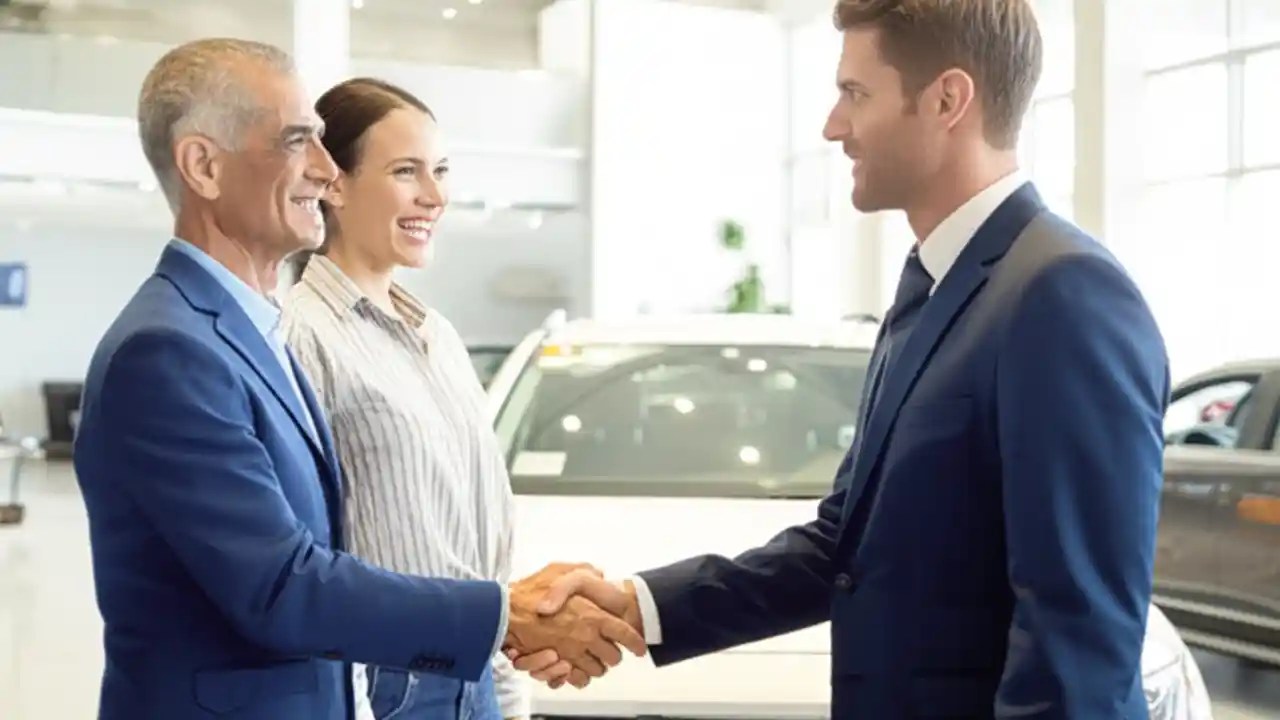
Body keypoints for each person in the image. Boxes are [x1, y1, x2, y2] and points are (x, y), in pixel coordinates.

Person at [514, 1, 1170, 717]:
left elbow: (1076, 641)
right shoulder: (936, 290)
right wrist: (637, 606)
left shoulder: (1061, 293)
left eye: (854, 94)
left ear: (948, 99)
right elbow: (846, 550)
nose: (833, 126)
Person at [72, 38, 642, 720]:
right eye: (296, 142)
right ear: (203, 165)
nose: (323, 169)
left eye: (321, 141)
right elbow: (281, 588)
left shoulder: (250, 332)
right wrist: (505, 613)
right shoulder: (168, 349)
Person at [278, 77, 528, 720]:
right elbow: (303, 556)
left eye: (440, 171)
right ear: (333, 184)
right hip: (388, 684)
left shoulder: (436, 336)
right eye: (406, 171)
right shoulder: (302, 335)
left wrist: (503, 686)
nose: (435, 196)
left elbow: (479, 530)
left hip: (473, 669)